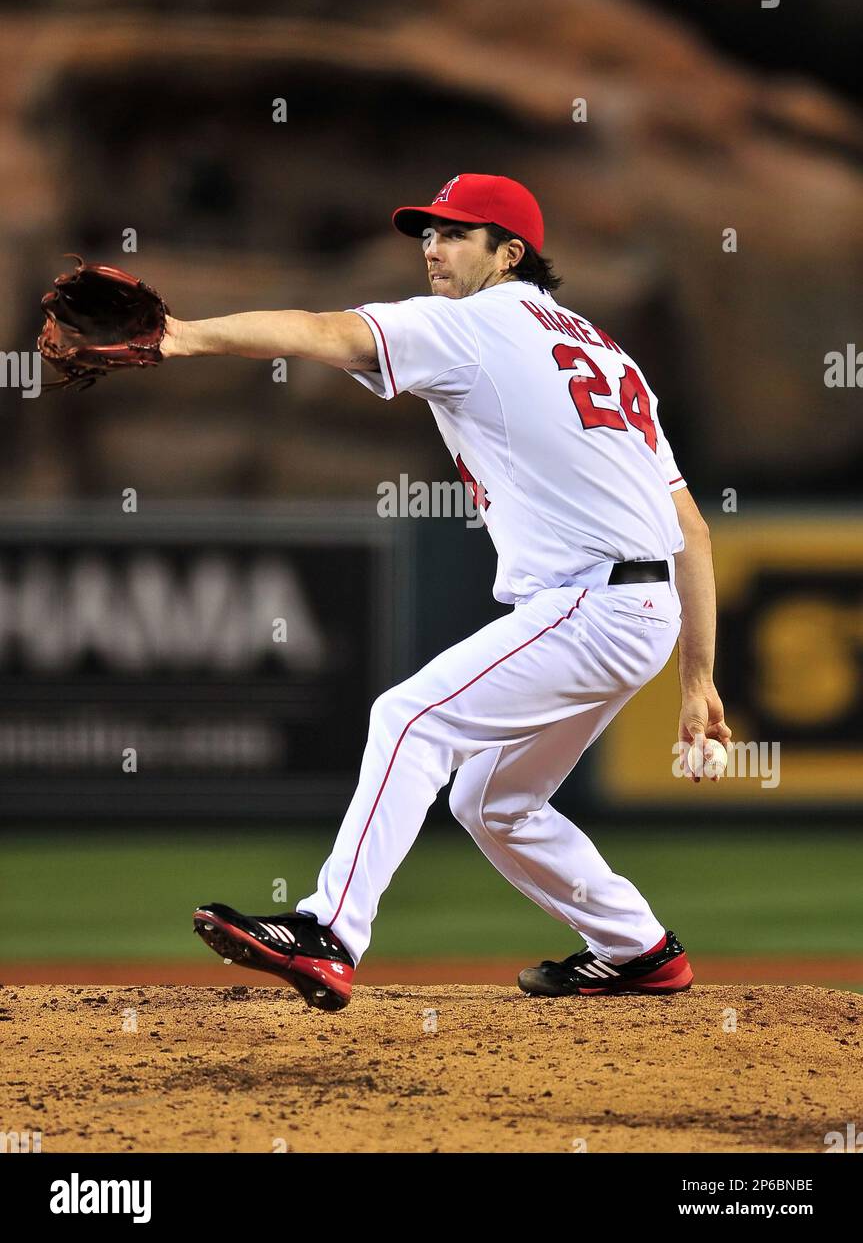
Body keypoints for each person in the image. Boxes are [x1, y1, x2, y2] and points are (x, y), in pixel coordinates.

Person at [162, 173, 732, 1011]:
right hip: (637, 611)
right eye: (426, 232)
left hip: (590, 604)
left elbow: (319, 331)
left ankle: (330, 932)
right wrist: (696, 675)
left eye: (456, 233)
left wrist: (179, 337)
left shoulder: (472, 325)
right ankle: (636, 948)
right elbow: (693, 526)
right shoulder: (605, 351)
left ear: (509, 254)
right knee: (492, 798)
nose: (431, 246)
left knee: (409, 716)